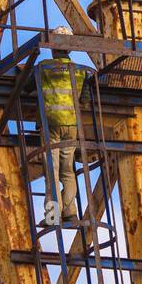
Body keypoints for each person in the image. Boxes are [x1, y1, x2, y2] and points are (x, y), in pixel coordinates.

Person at [39, 26, 90, 224]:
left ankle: (52, 216)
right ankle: (70, 212)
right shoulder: (79, 72)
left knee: (52, 172)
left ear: (53, 46)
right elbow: (85, 99)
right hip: (72, 124)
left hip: (51, 123)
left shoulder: (45, 67)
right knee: (68, 171)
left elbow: (30, 85)